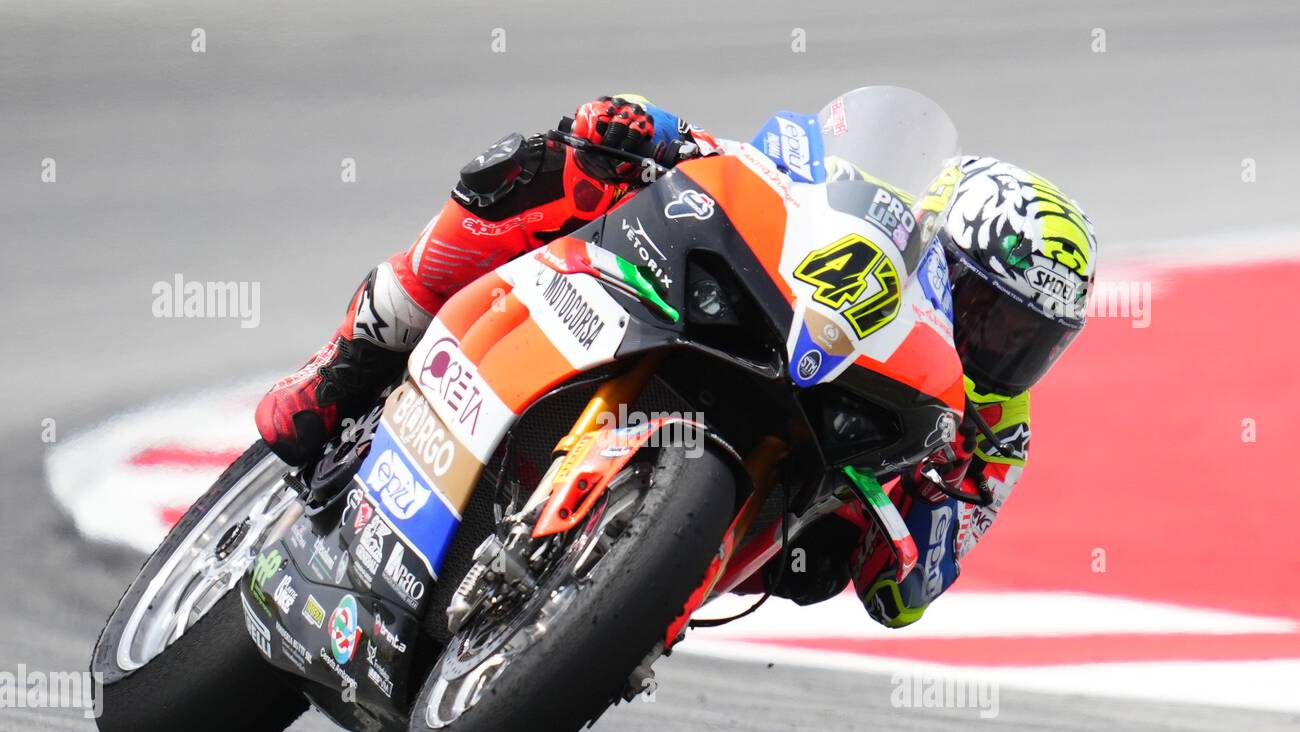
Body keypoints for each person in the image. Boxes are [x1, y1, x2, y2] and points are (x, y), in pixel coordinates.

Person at [254, 96, 1097, 628]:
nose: (998, 346)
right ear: (929, 236)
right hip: (750, 322)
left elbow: (905, 598)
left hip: (787, 494)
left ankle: (615, 622)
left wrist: (915, 526)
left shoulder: (997, 437)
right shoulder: (852, 218)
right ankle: (347, 366)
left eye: (1027, 340)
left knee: (822, 561)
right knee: (556, 167)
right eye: (986, 310)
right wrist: (653, 133)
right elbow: (758, 166)